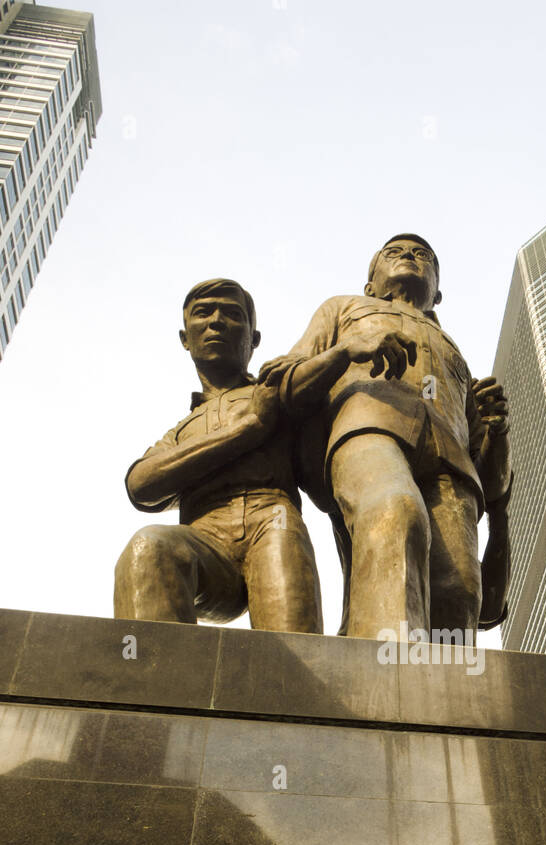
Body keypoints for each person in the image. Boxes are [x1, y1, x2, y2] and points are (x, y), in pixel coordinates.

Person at [258, 234, 512, 639]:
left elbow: (494, 482)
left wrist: (497, 429)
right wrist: (346, 350)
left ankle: (441, 697)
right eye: (394, 252)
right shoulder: (344, 308)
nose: (410, 256)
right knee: (394, 510)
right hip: (368, 430)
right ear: (369, 285)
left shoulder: (454, 353)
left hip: (451, 466)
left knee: (459, 588)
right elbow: (280, 386)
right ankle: (381, 687)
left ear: (438, 293)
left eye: (423, 255)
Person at [114, 278, 323, 631]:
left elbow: (326, 478)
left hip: (273, 521)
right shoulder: (182, 430)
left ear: (254, 338)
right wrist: (247, 430)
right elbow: (140, 485)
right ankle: (156, 681)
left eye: (231, 314)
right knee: (150, 546)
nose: (215, 321)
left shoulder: (279, 394)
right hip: (204, 538)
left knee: (292, 653)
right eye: (203, 313)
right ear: (185, 338)